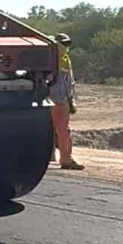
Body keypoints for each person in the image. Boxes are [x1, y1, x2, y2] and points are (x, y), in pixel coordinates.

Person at [49, 33, 84, 170]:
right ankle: (62, 158)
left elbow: (69, 82)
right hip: (52, 100)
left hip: (61, 100)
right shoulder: (50, 58)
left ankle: (65, 159)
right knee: (57, 130)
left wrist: (71, 101)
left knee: (63, 131)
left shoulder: (65, 59)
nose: (66, 46)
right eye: (64, 43)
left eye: (67, 43)